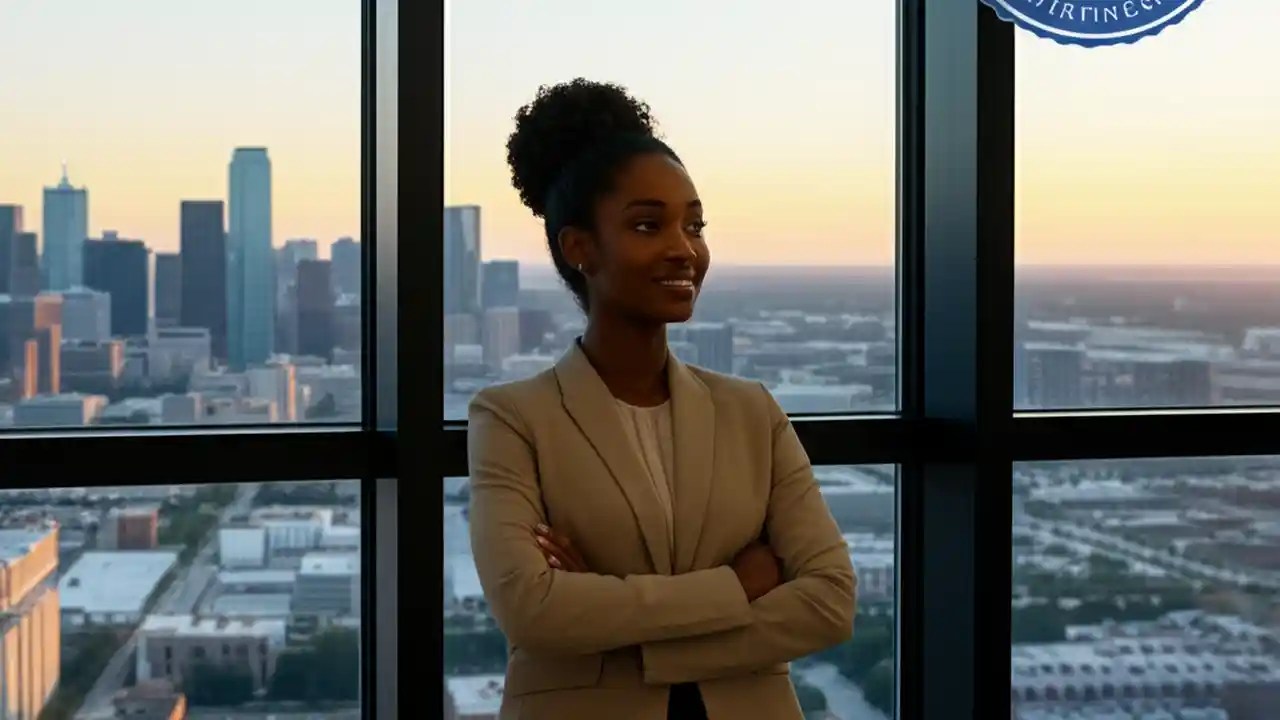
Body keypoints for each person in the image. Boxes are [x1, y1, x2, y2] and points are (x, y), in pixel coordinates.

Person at [467, 78, 856, 720]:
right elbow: (534, 611)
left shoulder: (751, 412)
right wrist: (739, 585)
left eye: (695, 224)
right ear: (580, 247)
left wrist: (625, 631)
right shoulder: (513, 418)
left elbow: (830, 600)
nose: (685, 247)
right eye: (649, 225)